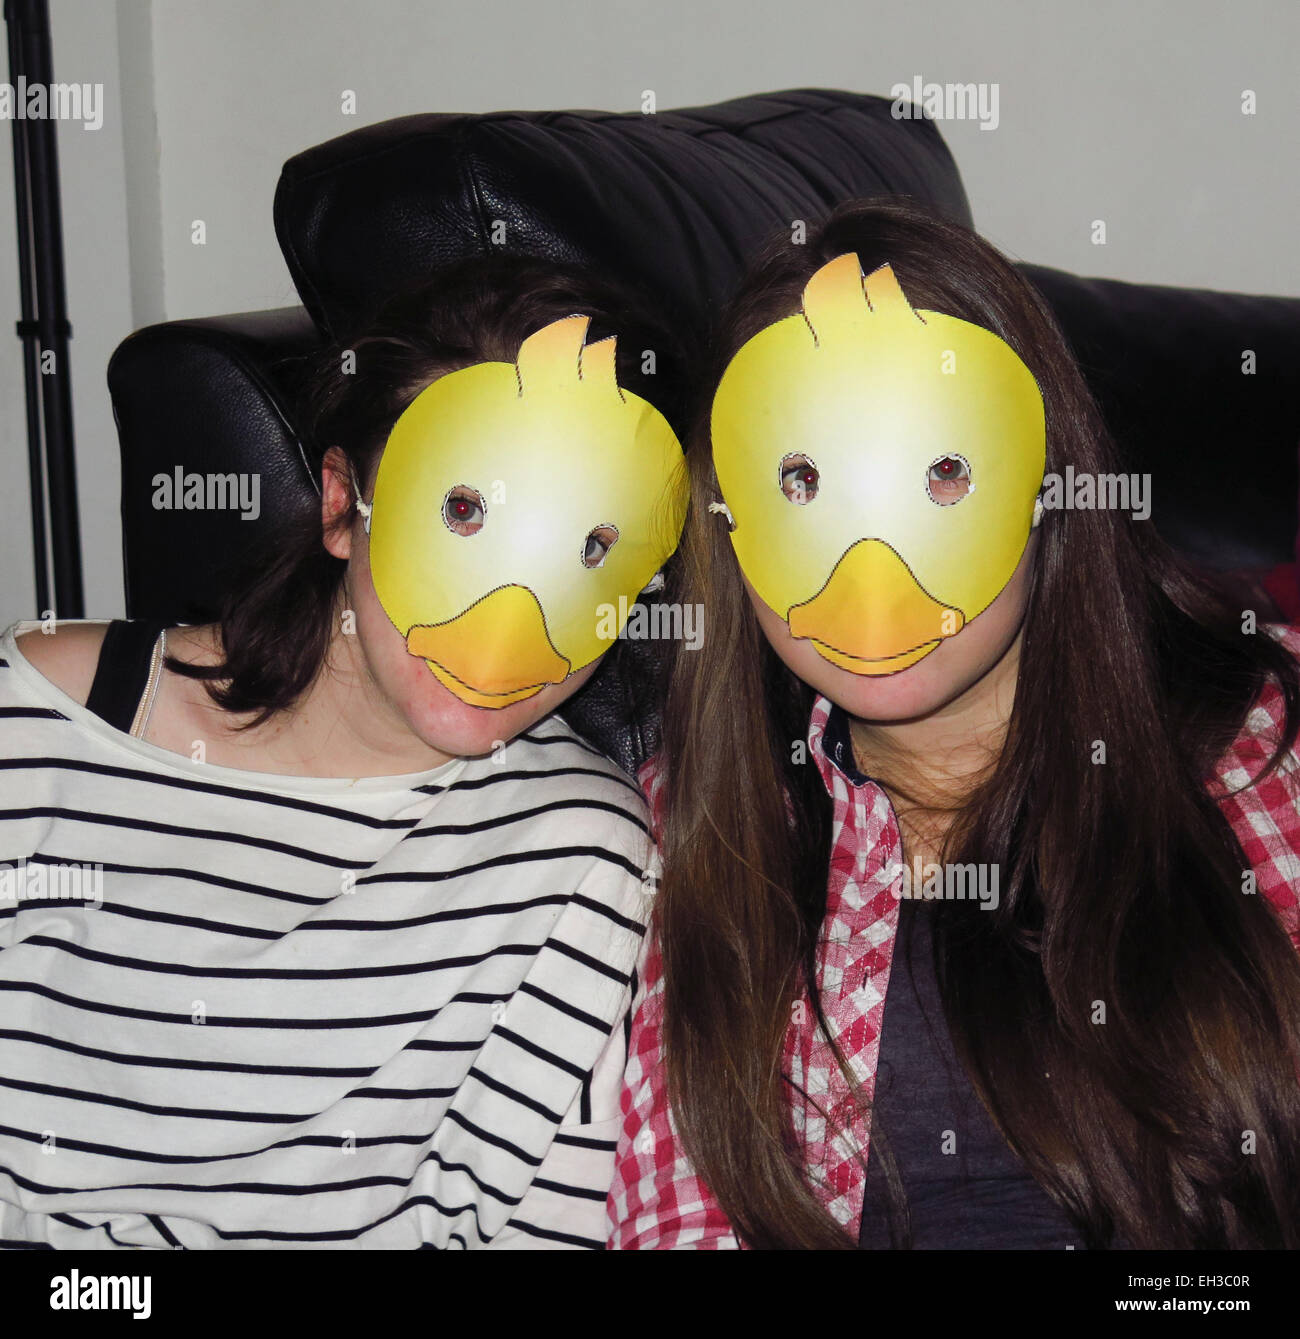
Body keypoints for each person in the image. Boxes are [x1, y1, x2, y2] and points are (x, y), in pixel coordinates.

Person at [608, 200, 1300, 1251]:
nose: (869, 566)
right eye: (801, 480)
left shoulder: (1265, 746)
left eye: (941, 474)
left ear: (1045, 485)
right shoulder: (684, 832)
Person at [0, 255, 687, 1249]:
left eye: (593, 548)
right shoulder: (38, 723)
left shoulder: (584, 857)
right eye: (463, 510)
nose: (515, 615)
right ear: (338, 505)